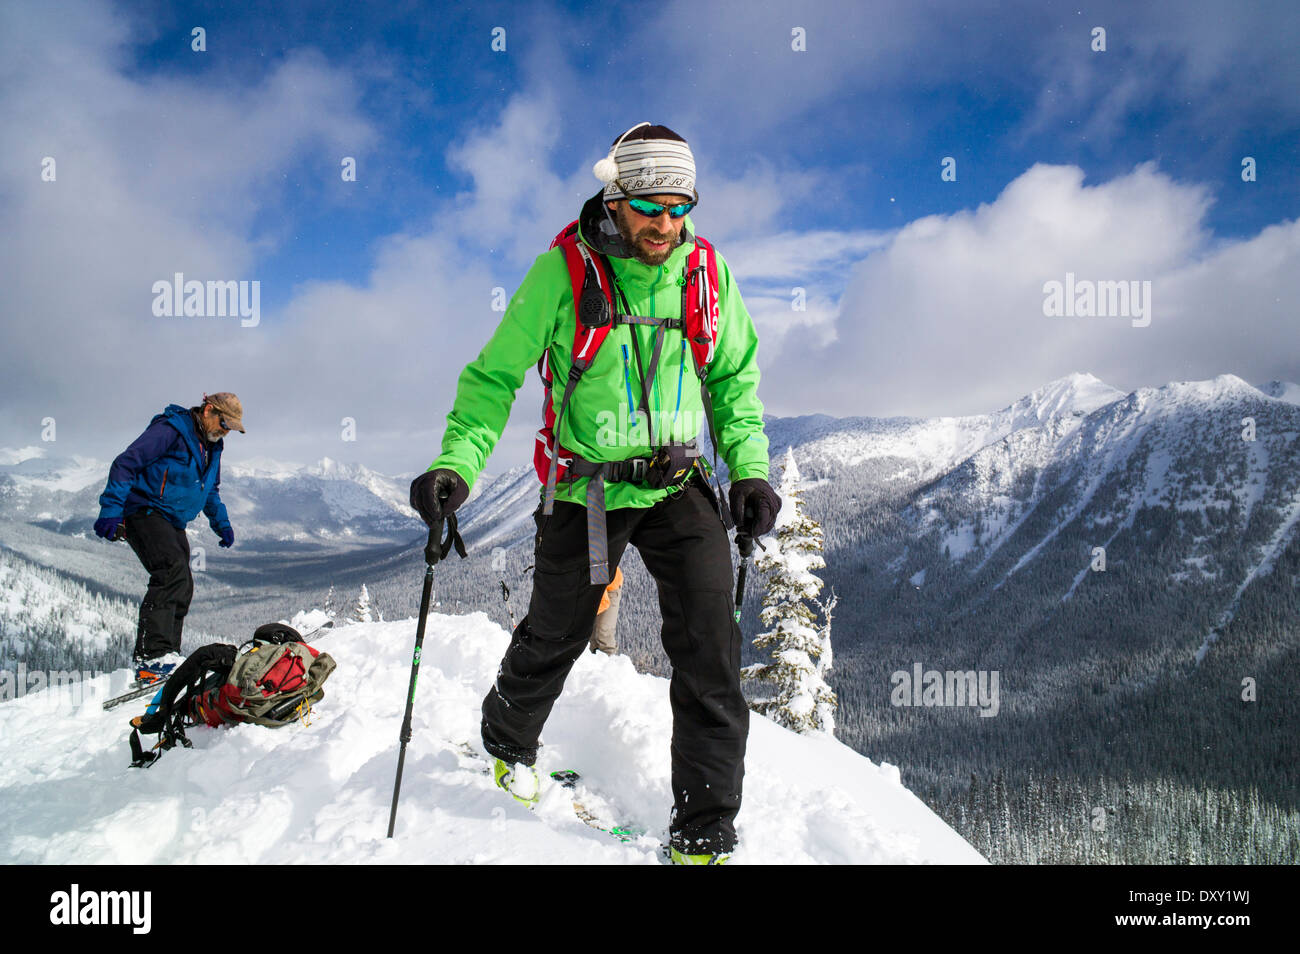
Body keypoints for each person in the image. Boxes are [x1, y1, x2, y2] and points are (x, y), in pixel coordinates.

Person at [410, 123, 780, 865]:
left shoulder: (707, 275)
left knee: (711, 648)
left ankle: (705, 822)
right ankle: (506, 737)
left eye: (680, 206)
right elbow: (493, 380)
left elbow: (733, 381)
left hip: (678, 485)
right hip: (587, 488)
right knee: (557, 630)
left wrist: (747, 470)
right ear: (617, 197)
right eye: (650, 205)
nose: (666, 223)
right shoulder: (562, 274)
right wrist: (456, 465)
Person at [95, 393, 243, 682]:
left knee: (183, 584)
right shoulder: (170, 430)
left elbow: (209, 490)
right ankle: (150, 658)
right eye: (224, 423)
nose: (225, 431)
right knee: (171, 571)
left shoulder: (213, 447)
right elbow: (126, 463)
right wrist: (111, 510)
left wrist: (221, 524)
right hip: (144, 510)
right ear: (209, 410)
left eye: (231, 428)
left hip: (172, 520)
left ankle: (168, 657)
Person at [589, 566, 623, 655]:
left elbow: (604, 603)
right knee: (592, 637)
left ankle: (609, 663)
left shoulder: (597, 564)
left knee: (603, 631)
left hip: (610, 590)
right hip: (594, 588)